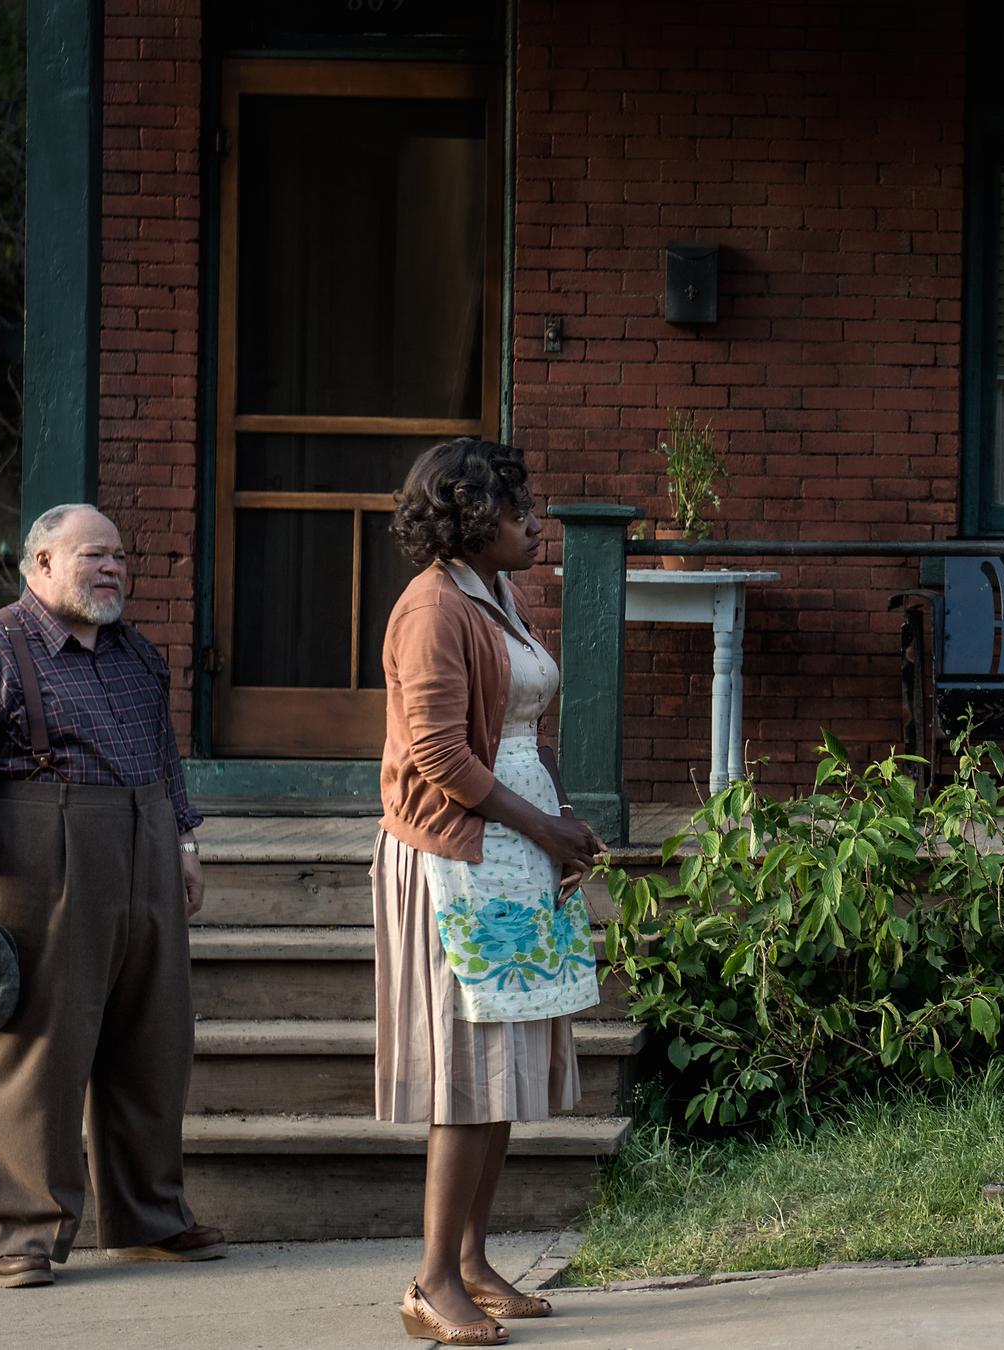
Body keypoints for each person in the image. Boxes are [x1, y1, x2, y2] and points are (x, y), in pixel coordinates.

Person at [0, 503, 222, 1288]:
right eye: (94, 555)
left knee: (154, 1044)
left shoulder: (136, 655)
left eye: (119, 555)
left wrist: (184, 844)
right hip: (40, 862)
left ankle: (150, 1218)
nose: (113, 568)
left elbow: (163, 756)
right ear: (43, 564)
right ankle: (16, 1233)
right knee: (38, 1052)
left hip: (145, 848)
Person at [377, 438, 604, 1344]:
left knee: (502, 1069)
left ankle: (472, 1262)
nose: (535, 524)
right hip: (459, 857)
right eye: (519, 512)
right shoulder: (433, 609)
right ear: (472, 519)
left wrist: (562, 817)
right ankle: (432, 1283)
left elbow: (517, 728)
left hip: (514, 846)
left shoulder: (495, 595)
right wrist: (542, 826)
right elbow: (439, 754)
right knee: (468, 1075)